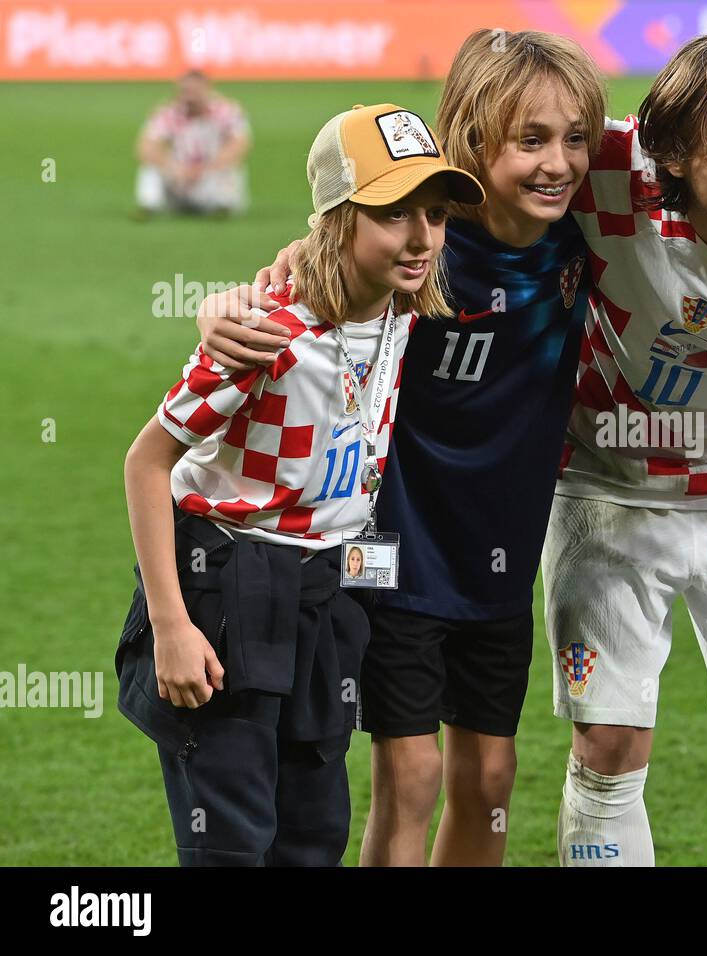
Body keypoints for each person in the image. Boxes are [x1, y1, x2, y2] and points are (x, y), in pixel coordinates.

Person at [193, 30, 707, 868]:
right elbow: (393, 215)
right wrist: (259, 290)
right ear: (672, 153)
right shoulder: (601, 165)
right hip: (604, 486)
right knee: (604, 747)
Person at [193, 30, 606, 867]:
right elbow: (312, 274)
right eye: (529, 141)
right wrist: (232, 302)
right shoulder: (423, 252)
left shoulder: (584, 241)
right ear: (472, 141)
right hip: (390, 552)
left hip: (501, 554)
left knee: (490, 776)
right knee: (410, 773)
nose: (557, 163)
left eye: (573, 140)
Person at [117, 102, 484, 865]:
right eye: (393, 213)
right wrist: (172, 626)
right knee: (231, 842)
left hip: (327, 589)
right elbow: (147, 462)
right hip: (226, 590)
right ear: (339, 218)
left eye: (437, 213)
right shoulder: (263, 333)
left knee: (314, 837)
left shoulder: (404, 314)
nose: (422, 237)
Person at [134, 70, 252, 219]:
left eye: (194, 91)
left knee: (231, 168)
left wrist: (206, 168)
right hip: (179, 178)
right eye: (185, 91)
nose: (190, 97)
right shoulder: (169, 113)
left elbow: (240, 145)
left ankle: (223, 207)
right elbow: (146, 147)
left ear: (207, 89)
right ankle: (148, 206)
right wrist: (174, 167)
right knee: (150, 168)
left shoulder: (226, 112)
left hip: (210, 179)